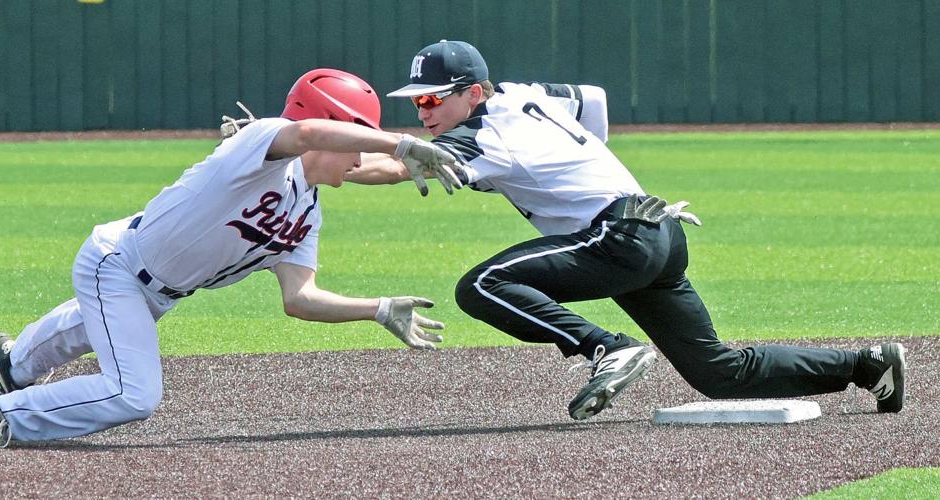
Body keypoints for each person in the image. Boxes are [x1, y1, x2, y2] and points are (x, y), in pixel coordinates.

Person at [359, 40, 906, 420]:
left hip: (619, 238)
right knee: (718, 372)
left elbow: (391, 169)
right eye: (417, 101)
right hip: (658, 229)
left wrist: (327, 160)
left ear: (473, 92)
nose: (424, 110)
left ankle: (606, 349)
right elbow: (591, 98)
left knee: (479, 286)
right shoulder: (526, 92)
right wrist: (603, 172)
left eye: (433, 98)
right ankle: (867, 365)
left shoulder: (481, 135)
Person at [0, 68, 467, 448]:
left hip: (157, 287)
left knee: (90, 329)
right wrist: (400, 143)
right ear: (333, 122)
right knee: (134, 395)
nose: (360, 157)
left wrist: (374, 308)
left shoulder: (306, 213)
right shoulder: (261, 147)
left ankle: (12, 365)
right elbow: (307, 134)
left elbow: (300, 297)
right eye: (357, 136)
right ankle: (0, 413)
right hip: (118, 262)